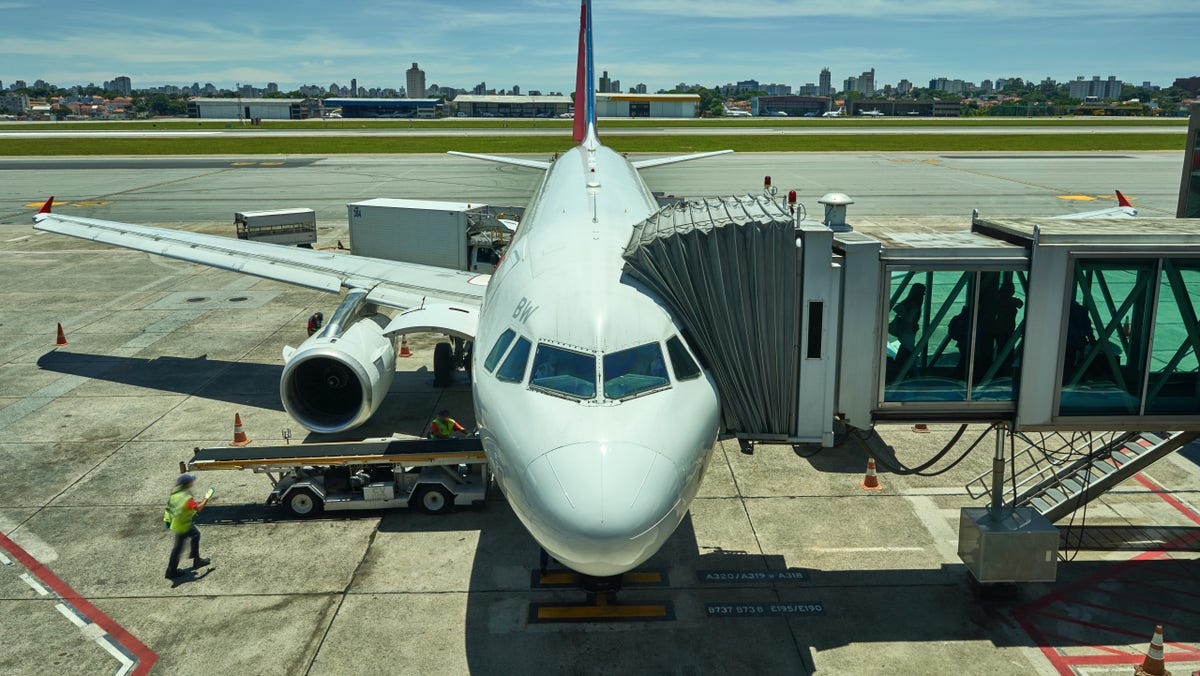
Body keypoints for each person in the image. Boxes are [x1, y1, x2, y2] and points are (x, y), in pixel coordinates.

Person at [164, 474, 211, 579]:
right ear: (187, 484)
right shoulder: (186, 498)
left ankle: (171, 570)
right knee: (190, 539)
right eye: (191, 481)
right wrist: (207, 498)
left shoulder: (175, 493)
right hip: (184, 524)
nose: (192, 483)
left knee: (181, 545)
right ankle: (195, 561)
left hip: (176, 522)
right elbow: (198, 508)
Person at [889, 283, 925, 376]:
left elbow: (897, 309)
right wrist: (913, 324)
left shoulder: (909, 302)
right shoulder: (915, 305)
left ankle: (903, 372)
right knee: (910, 354)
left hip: (904, 331)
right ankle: (914, 375)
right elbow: (909, 319)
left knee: (906, 351)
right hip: (908, 332)